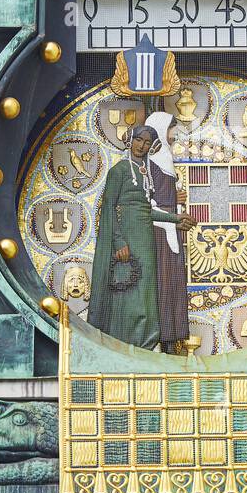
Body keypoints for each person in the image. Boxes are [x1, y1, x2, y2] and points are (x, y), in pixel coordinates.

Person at [87, 124, 195, 350]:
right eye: (139, 140)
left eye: (147, 143)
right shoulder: (119, 171)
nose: (142, 146)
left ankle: (145, 345)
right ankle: (125, 344)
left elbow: (144, 210)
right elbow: (108, 208)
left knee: (146, 293)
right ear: (131, 141)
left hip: (146, 241)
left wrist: (176, 219)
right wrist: (119, 242)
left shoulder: (145, 173)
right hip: (128, 241)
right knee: (128, 293)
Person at [145, 112, 191, 354]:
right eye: (172, 129)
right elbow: (147, 200)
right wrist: (174, 199)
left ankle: (171, 337)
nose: (174, 134)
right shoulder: (152, 160)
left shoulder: (163, 156)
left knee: (171, 283)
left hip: (169, 230)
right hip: (159, 233)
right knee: (163, 283)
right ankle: (162, 338)